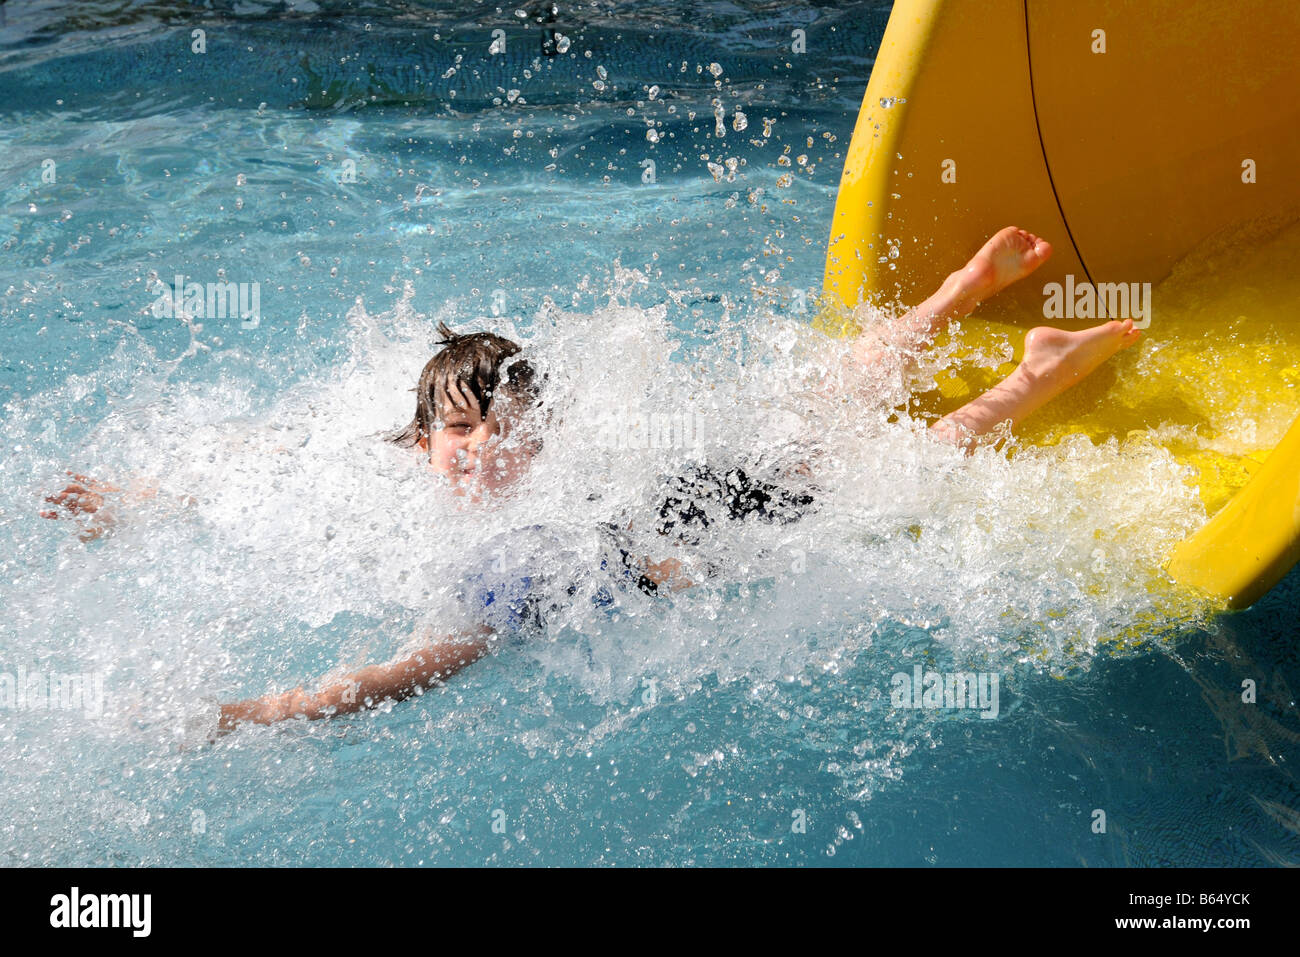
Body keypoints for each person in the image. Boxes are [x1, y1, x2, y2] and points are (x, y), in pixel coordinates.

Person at [43, 226, 1140, 732]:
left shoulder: (515, 561)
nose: (477, 456)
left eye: (500, 435)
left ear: (540, 437)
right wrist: (142, 500)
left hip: (715, 514)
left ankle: (1008, 355)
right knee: (812, 421)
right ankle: (963, 299)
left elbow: (401, 672)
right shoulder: (390, 484)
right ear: (418, 440)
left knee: (886, 467)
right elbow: (266, 473)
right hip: (678, 500)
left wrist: (259, 711)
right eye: (456, 437)